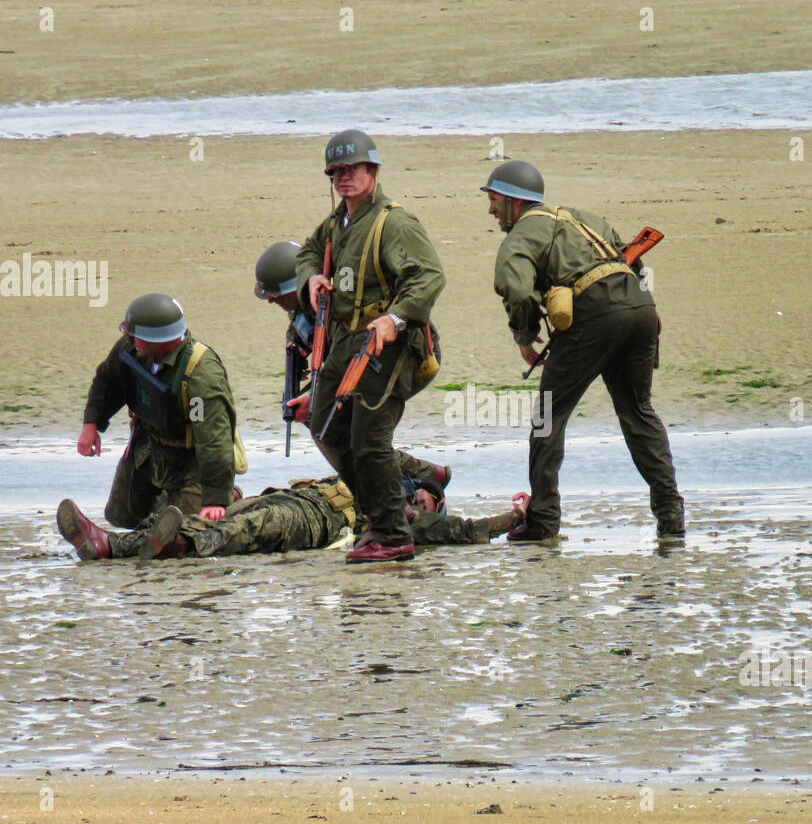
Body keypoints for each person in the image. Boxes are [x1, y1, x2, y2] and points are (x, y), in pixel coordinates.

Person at [481, 160, 685, 540]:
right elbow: (631, 261)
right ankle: (671, 515)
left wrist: (524, 336)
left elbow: (517, 289)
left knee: (547, 416)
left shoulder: (519, 239)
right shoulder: (584, 218)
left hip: (596, 317)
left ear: (514, 202)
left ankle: (542, 520)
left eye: (493, 199)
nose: (490, 209)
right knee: (638, 413)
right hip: (641, 309)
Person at [292, 129, 447, 564]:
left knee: (369, 440)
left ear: (373, 171)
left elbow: (429, 277)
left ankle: (392, 534)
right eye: (336, 171)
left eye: (352, 169)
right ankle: (386, 513)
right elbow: (306, 251)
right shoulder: (337, 222)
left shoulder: (394, 222)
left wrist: (394, 320)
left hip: (390, 343)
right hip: (345, 340)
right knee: (325, 426)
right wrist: (311, 277)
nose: (344, 178)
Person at [255, 238, 451, 492]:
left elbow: (348, 356)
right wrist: (298, 347)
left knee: (353, 431)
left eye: (277, 295)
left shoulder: (339, 302)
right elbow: (300, 323)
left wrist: (315, 397)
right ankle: (420, 476)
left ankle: (391, 496)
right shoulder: (307, 296)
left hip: (402, 359)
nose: (272, 301)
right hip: (362, 362)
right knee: (331, 425)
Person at [59, 292, 238, 558]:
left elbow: (213, 439)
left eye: (133, 336)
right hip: (151, 444)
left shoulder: (201, 375)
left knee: (191, 530)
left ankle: (229, 498)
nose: (128, 339)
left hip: (194, 459)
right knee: (122, 513)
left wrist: (215, 498)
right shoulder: (131, 348)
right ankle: (156, 516)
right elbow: (107, 381)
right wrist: (92, 423)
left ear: (158, 341)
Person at [56, 475, 530, 560]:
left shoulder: (401, 520)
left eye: (430, 504)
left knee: (237, 529)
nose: (423, 503)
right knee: (221, 515)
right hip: (287, 496)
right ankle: (115, 542)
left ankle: (173, 546)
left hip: (316, 520)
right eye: (424, 496)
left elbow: (469, 531)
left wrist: (517, 515)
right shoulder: (375, 471)